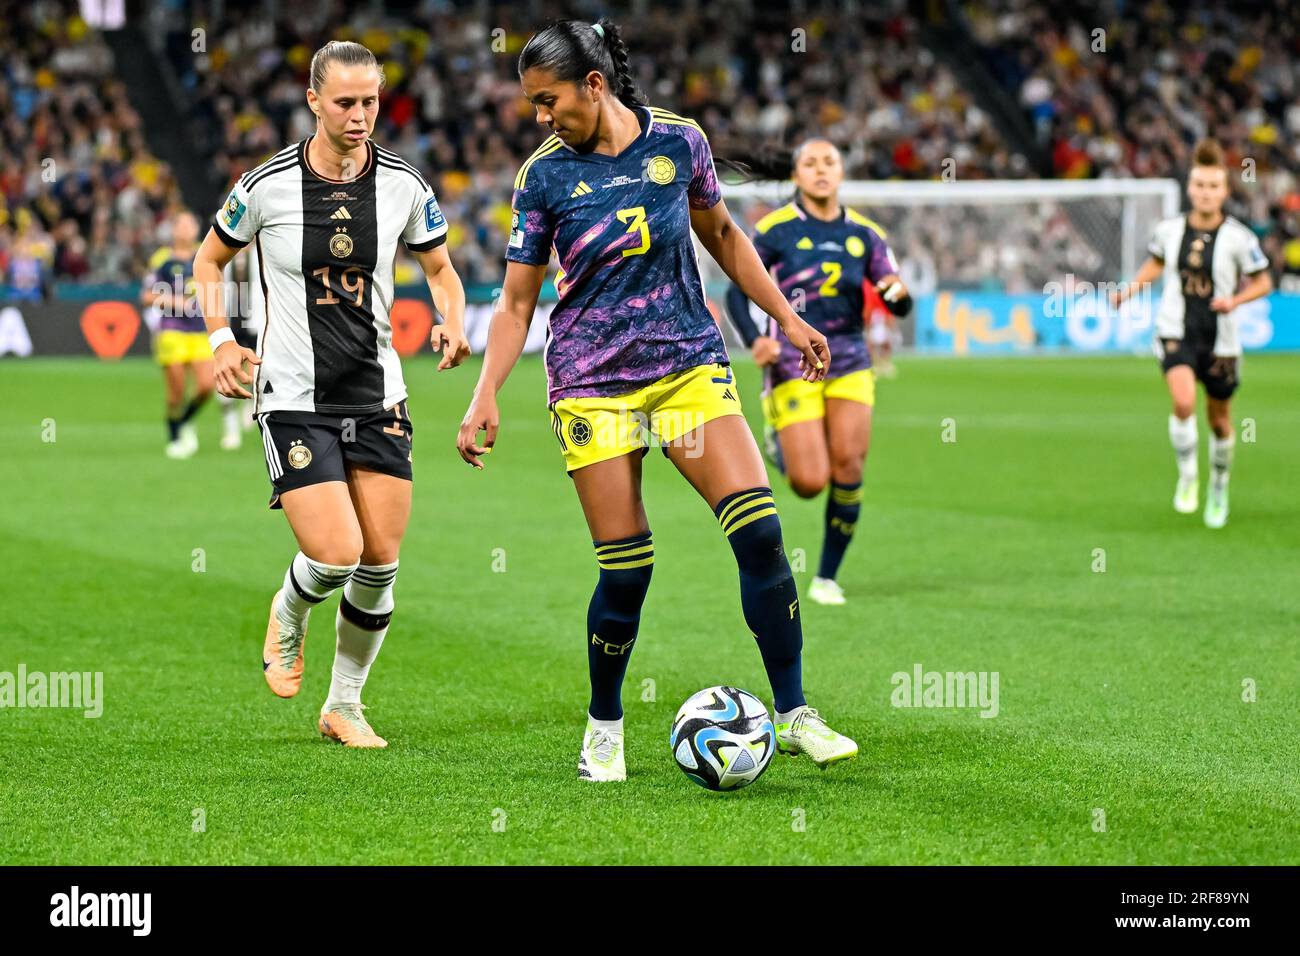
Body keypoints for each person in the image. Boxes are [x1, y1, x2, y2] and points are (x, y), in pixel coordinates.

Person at [457, 18, 857, 783]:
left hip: (685, 370)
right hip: (590, 383)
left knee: (762, 533)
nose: (541, 118)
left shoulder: (679, 143)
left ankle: (795, 710)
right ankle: (604, 724)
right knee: (628, 568)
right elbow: (514, 305)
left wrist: (787, 316)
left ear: (594, 85)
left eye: (549, 100)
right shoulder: (543, 177)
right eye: (533, 106)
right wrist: (485, 394)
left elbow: (726, 237)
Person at [192, 40, 470, 747]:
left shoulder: (406, 184)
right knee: (338, 554)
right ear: (313, 100)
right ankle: (289, 609)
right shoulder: (266, 185)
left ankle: (344, 705)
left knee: (379, 565)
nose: (359, 115)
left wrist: (452, 318)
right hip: (292, 396)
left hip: (379, 396)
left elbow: (441, 269)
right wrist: (221, 339)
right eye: (344, 102)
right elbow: (209, 259)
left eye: (370, 101)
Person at [725, 139, 910, 605]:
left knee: (849, 466)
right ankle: (782, 444)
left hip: (848, 358)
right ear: (797, 174)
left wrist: (895, 295)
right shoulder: (775, 229)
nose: (821, 170)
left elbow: (900, 301)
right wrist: (755, 340)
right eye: (810, 163)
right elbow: (735, 292)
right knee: (810, 483)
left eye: (830, 162)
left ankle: (826, 576)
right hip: (793, 360)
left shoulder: (866, 234)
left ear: (842, 172)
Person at [1113, 139, 1272, 528]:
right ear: (1190, 187)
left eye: (1213, 186)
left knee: (1219, 421)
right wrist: (1132, 288)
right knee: (1183, 402)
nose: (1205, 192)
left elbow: (1263, 281)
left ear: (1224, 190)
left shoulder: (1239, 237)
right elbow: (1156, 263)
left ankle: (1219, 484)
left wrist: (1236, 301)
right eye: (1199, 185)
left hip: (1221, 340)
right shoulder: (1169, 230)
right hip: (1175, 329)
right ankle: (1187, 476)